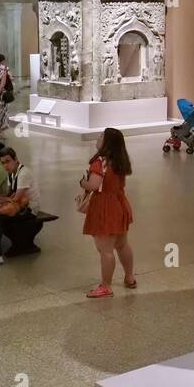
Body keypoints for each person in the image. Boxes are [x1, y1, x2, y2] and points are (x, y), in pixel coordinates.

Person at [80, 127, 136, 298]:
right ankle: (129, 277)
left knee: (105, 250)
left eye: (101, 136)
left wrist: (83, 183)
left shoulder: (100, 163)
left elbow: (94, 185)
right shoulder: (120, 161)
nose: (98, 138)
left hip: (104, 208)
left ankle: (106, 286)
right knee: (122, 244)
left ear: (108, 143)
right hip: (120, 204)